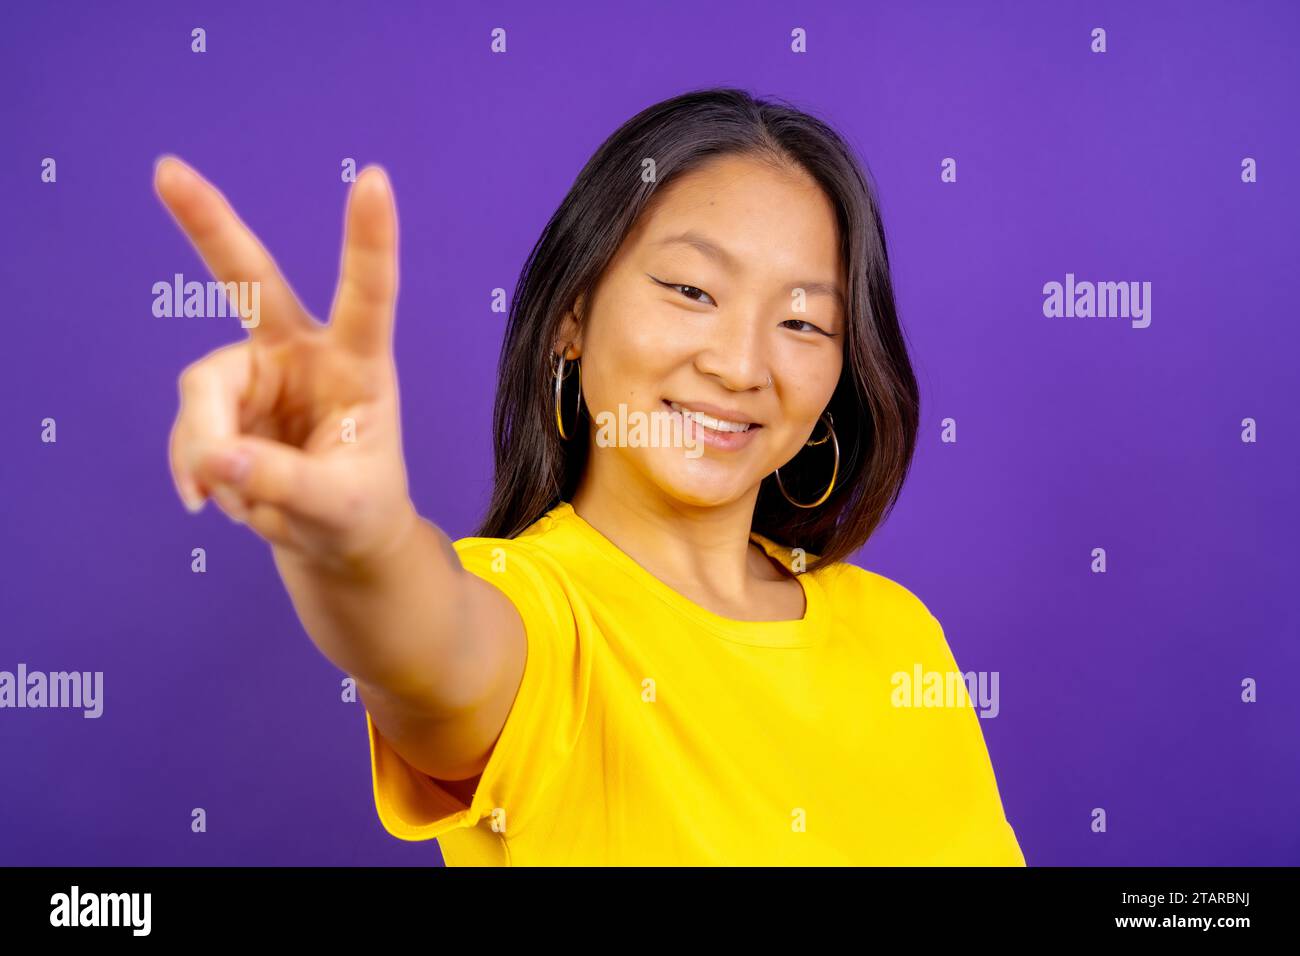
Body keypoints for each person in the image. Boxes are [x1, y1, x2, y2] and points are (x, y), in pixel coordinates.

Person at [156, 87, 1025, 866]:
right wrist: (360, 545)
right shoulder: (535, 618)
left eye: (803, 322)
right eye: (691, 290)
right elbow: (425, 647)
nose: (739, 363)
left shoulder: (900, 636)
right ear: (573, 319)